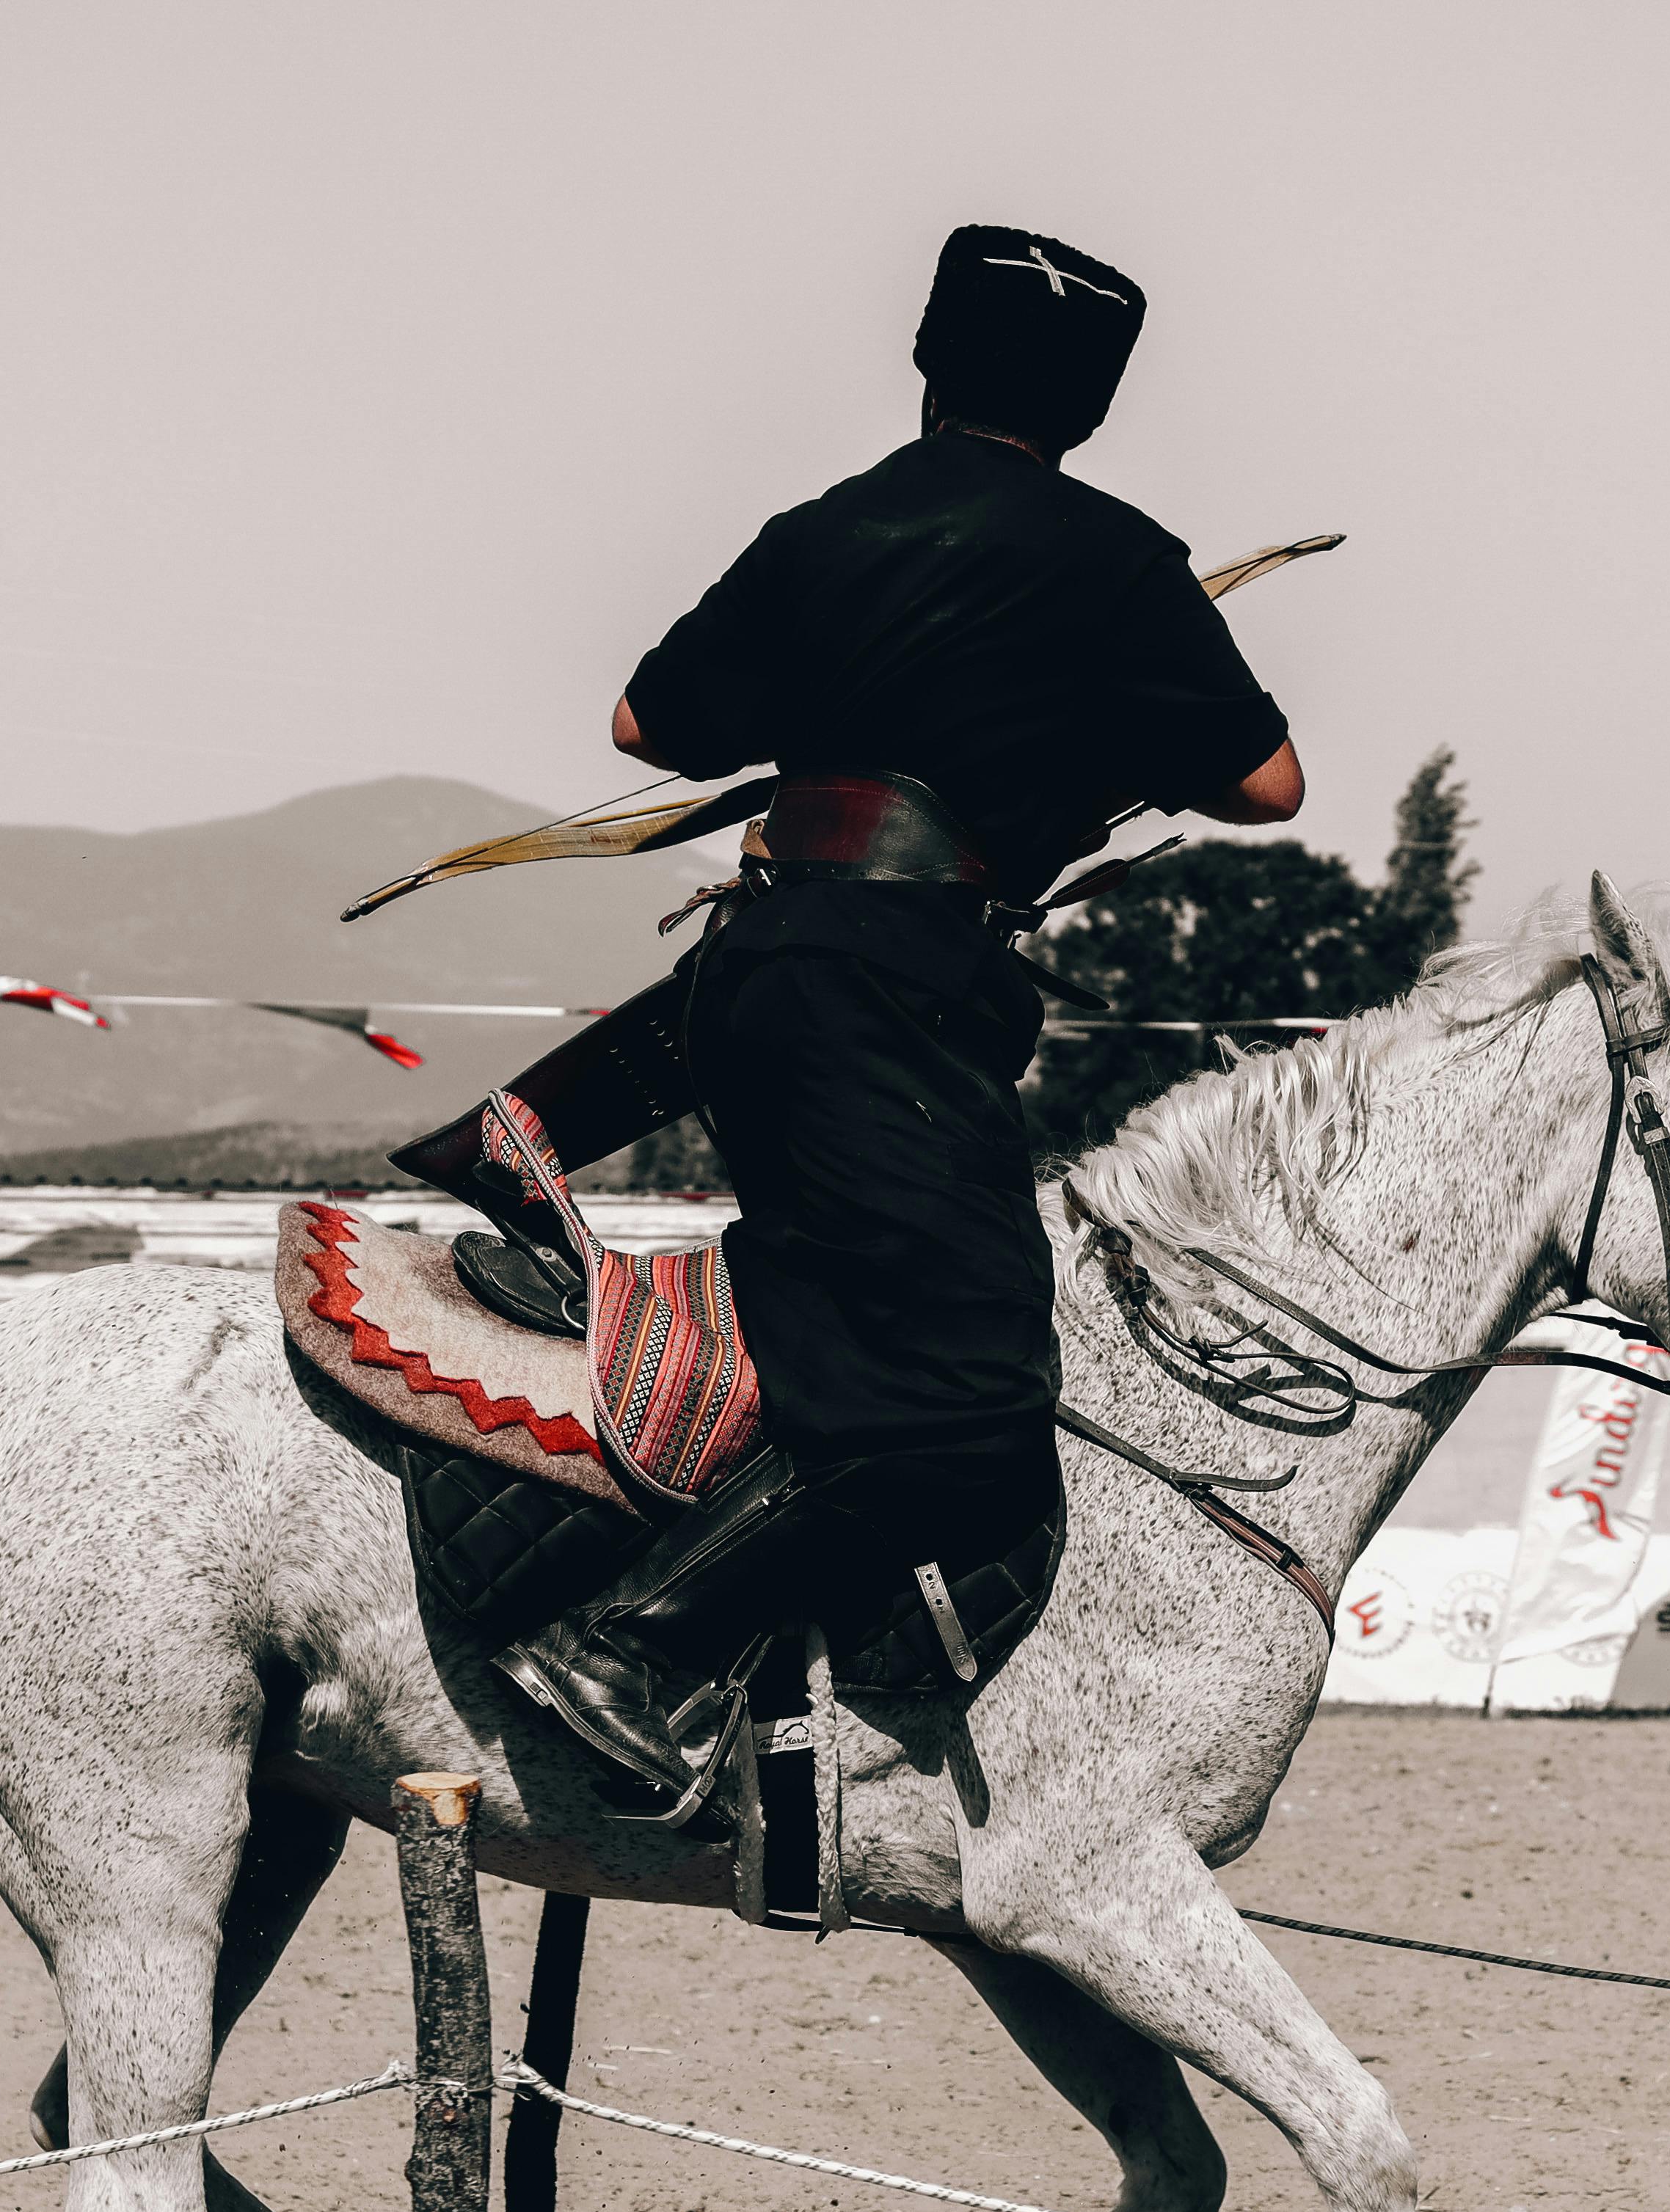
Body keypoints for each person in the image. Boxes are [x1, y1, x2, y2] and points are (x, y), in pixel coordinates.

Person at [481, 223, 1308, 1793]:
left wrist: (852, 705)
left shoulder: (821, 529)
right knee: (971, 1409)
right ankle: (634, 1642)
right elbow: (1268, 784)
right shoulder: (1119, 557)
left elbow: (647, 720)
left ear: (928, 359)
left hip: (759, 969)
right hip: (894, 989)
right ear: (1095, 405)